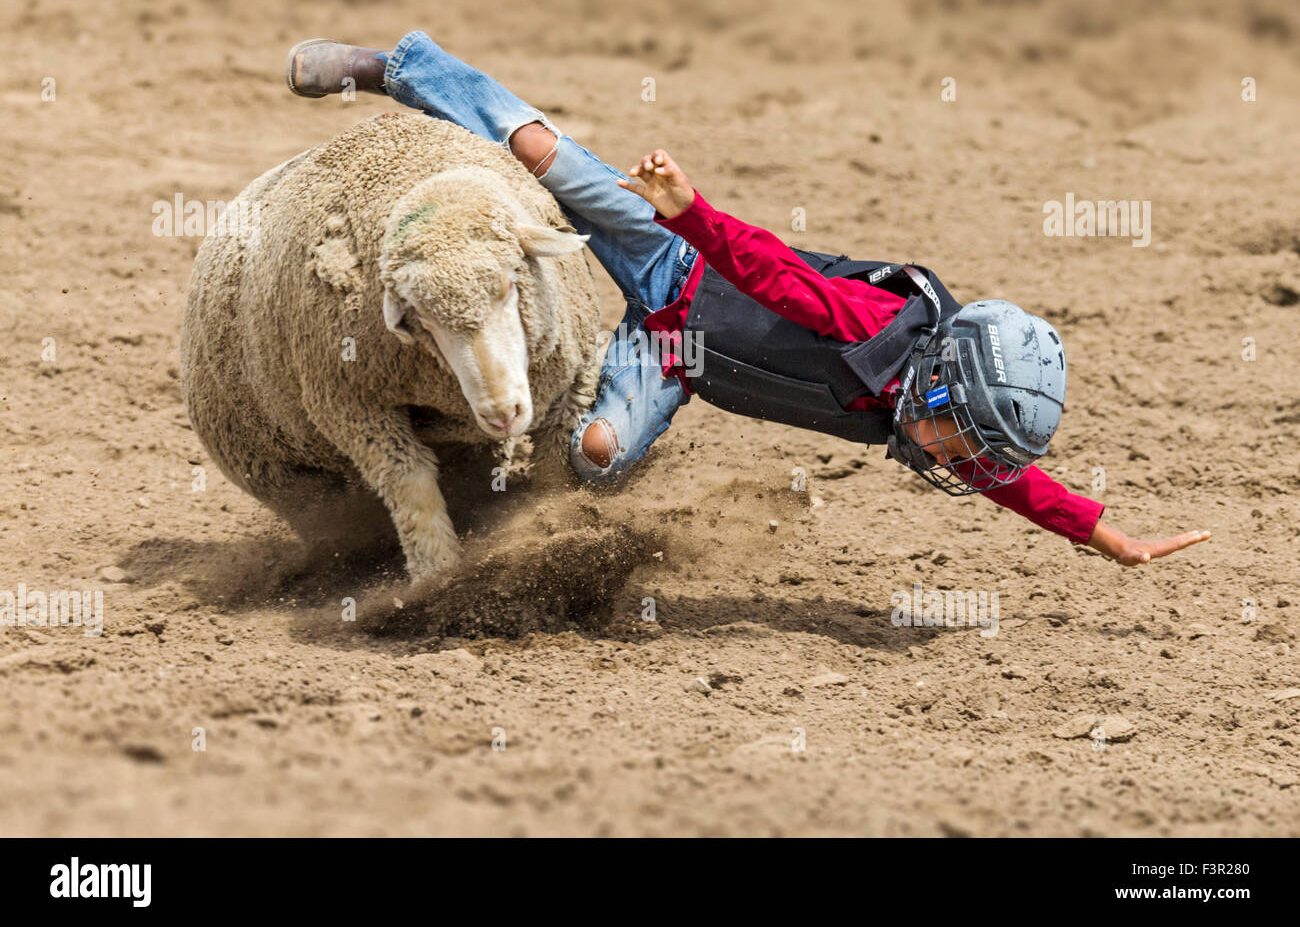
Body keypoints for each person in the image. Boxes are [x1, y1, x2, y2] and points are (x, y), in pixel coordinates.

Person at [285, 31, 1212, 567]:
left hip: (675, 355)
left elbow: (1017, 485)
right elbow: (774, 272)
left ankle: (469, 478)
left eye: (971, 453)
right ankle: (399, 66)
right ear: (941, 390)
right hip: (678, 258)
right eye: (964, 441)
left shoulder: (928, 415)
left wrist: (1106, 535)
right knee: (544, 156)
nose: (962, 463)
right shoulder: (878, 330)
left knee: (600, 455)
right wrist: (692, 214)